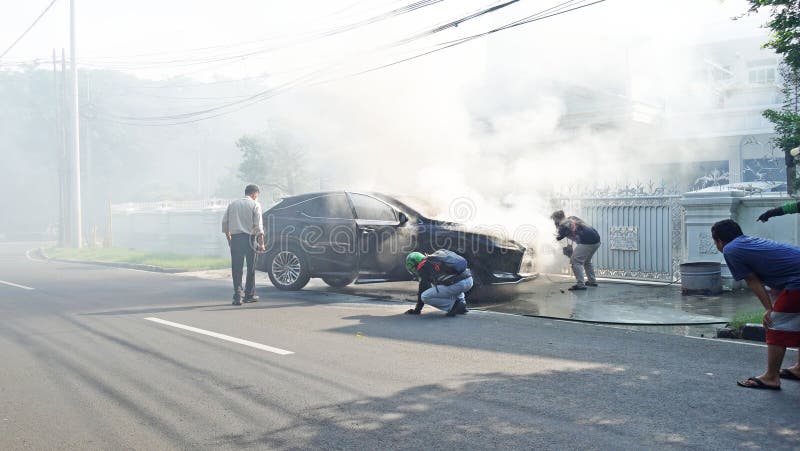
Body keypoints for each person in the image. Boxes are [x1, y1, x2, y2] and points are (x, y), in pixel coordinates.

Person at [711, 219, 800, 390]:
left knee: (775, 324)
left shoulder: (731, 250)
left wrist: (769, 309)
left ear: (719, 241)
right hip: (795, 279)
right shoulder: (748, 242)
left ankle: (771, 377)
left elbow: (753, 281)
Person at [222, 184, 265, 305]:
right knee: (250, 269)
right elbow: (258, 227)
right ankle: (249, 295)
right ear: (254, 194)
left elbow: (225, 223)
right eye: (257, 195)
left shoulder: (233, 204)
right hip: (250, 240)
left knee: (237, 269)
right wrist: (262, 244)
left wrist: (230, 240)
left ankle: (237, 297)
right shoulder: (255, 204)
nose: (257, 197)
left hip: (235, 239)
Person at [404, 250, 472, 317]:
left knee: (425, 296)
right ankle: (462, 304)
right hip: (469, 280)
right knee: (445, 283)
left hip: (458, 284)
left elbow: (423, 289)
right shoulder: (435, 258)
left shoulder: (423, 267)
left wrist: (417, 310)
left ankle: (452, 306)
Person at [551, 210, 601, 291]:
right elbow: (575, 231)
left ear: (556, 219)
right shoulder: (572, 218)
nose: (554, 222)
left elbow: (559, 237)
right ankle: (592, 281)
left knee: (575, 261)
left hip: (587, 242)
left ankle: (580, 285)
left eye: (554, 220)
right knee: (586, 261)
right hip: (596, 240)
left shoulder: (563, 225)